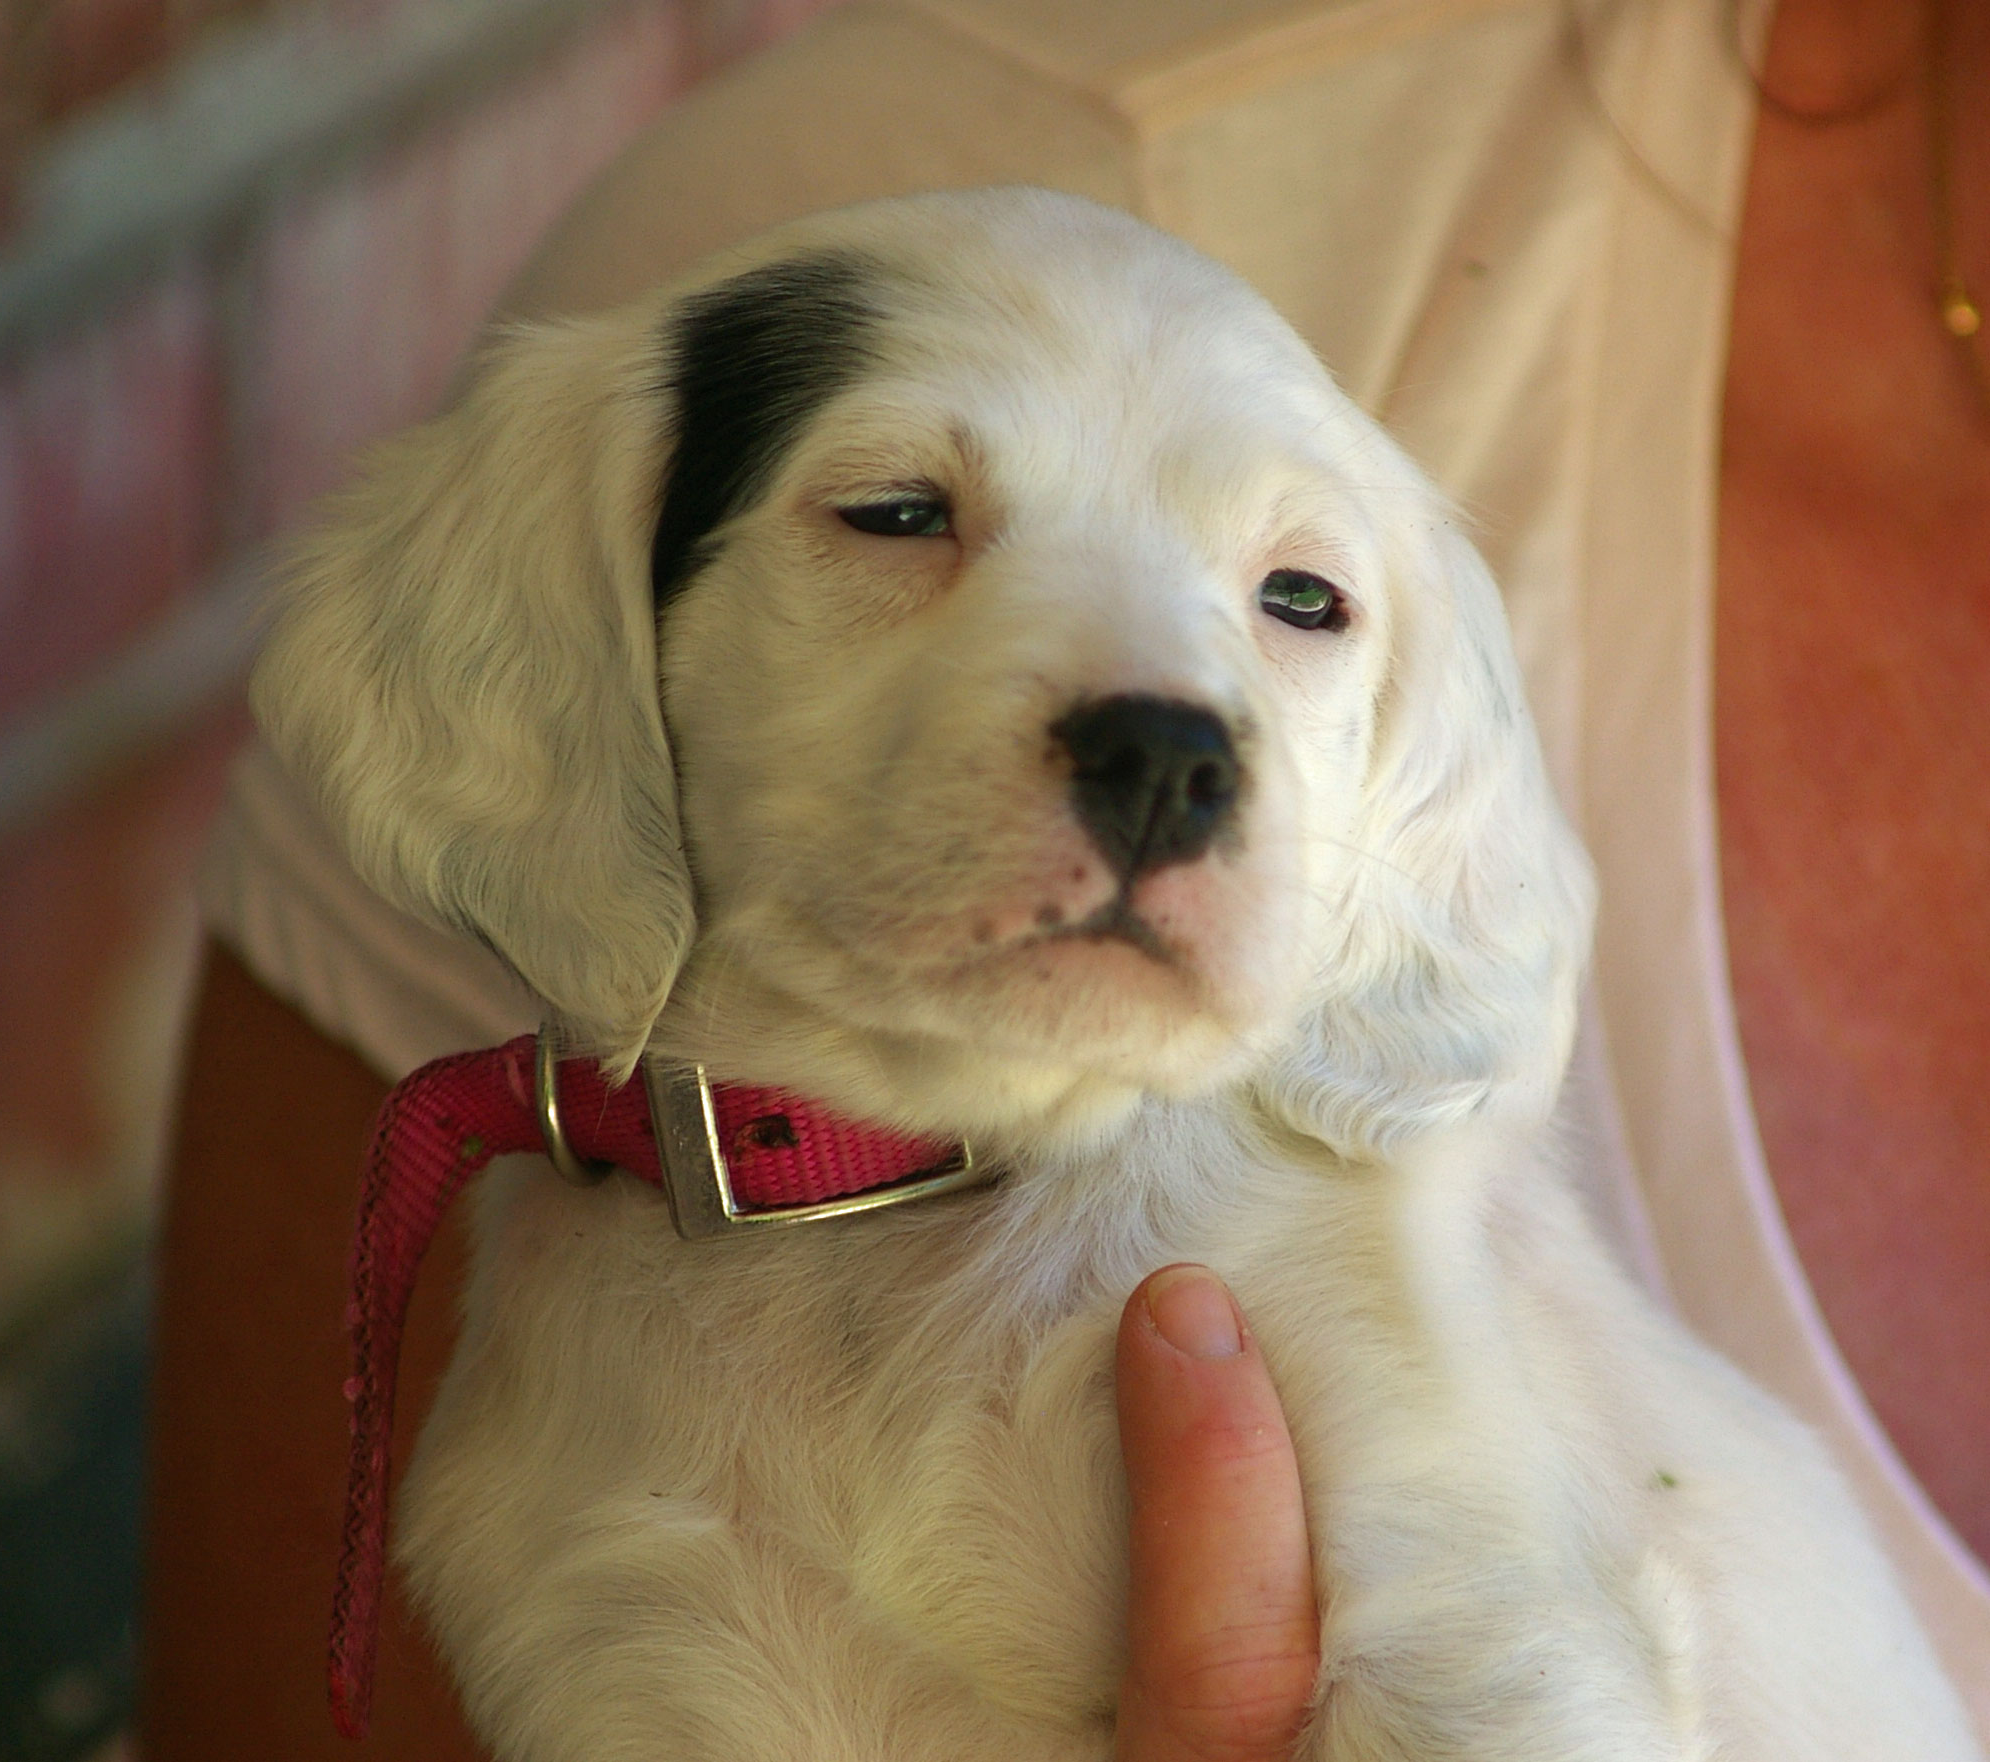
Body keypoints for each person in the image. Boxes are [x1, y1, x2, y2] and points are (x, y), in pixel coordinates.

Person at [138, 0, 1990, 1754]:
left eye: (1298, 602)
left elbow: (1516, 1691)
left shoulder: (1326, 1271)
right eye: (897, 516)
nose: (1168, 734)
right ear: (597, 623)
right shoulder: (543, 1477)